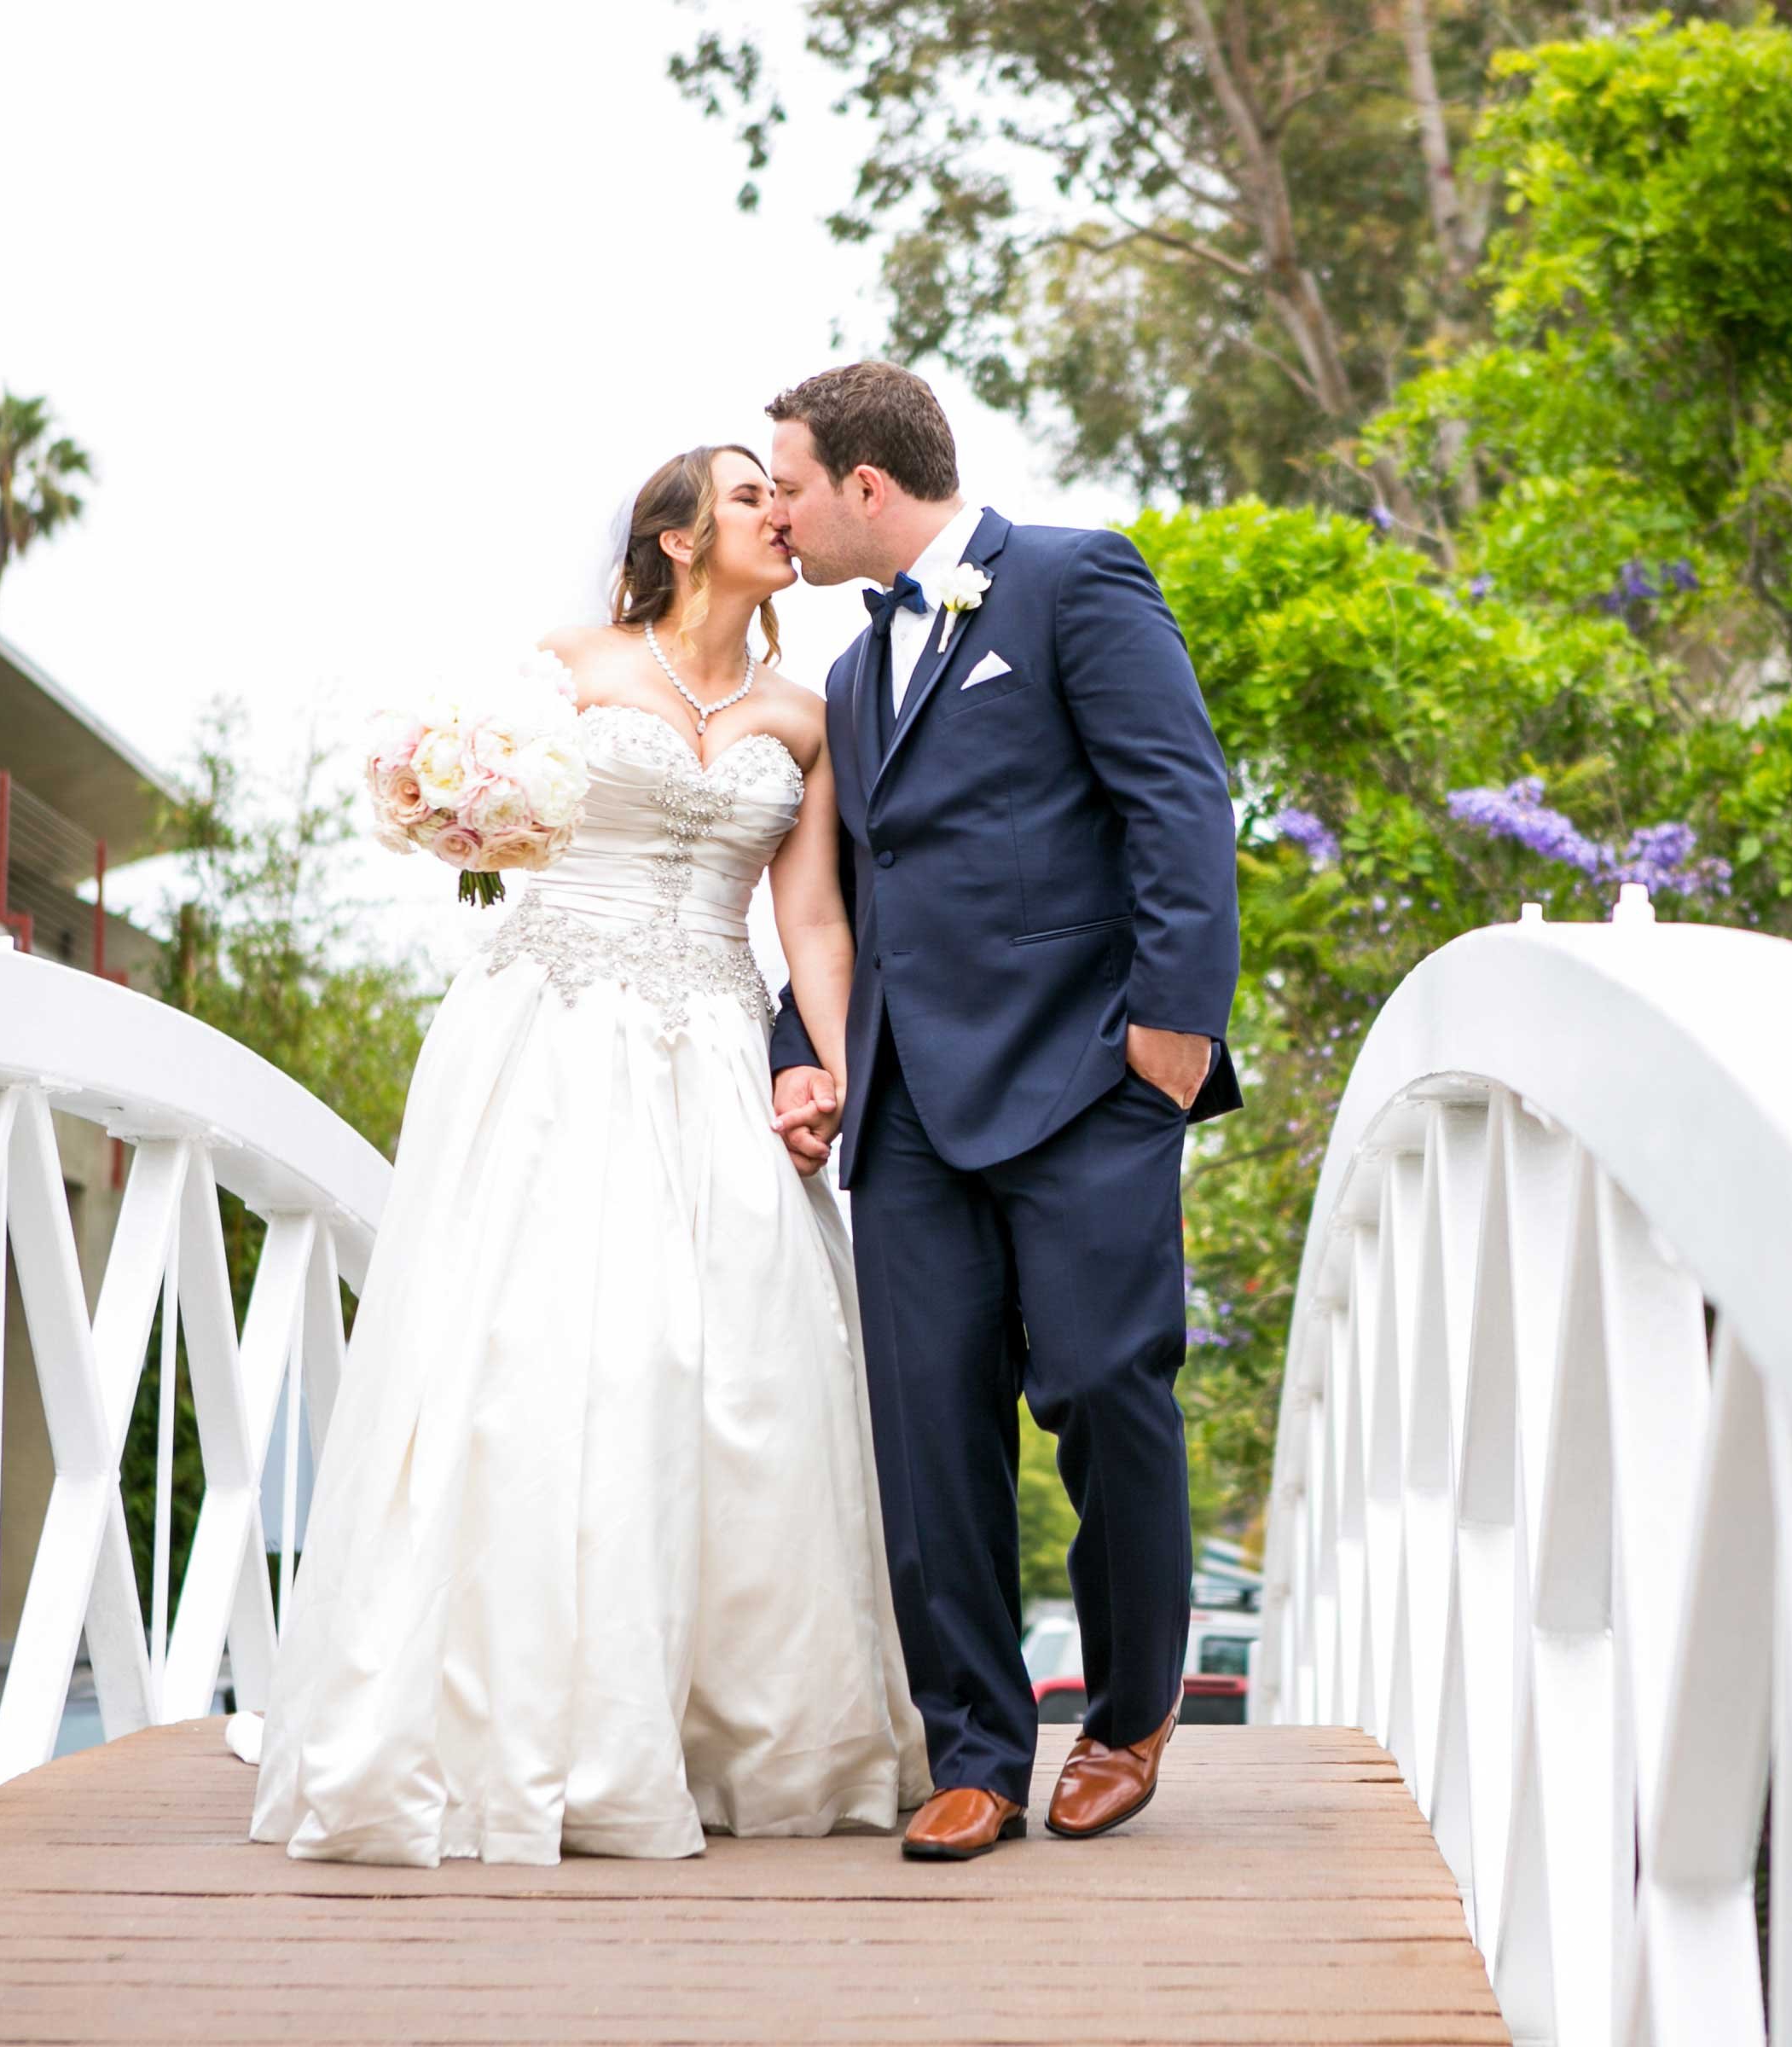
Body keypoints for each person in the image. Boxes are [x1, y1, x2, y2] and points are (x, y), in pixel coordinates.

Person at [241, 444, 930, 1863]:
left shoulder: (803, 716)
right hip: (549, 1027)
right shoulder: (570, 664)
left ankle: (726, 1728)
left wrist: (835, 1069)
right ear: (677, 540)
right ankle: (512, 1721)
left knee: (733, 1362)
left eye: (777, 497)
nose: (778, 517)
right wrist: (462, 809)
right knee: (544, 1350)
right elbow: (482, 815)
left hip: (718, 1041)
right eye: (749, 499)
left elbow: (811, 921)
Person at [762, 362, 1242, 1862]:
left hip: (1084, 1079)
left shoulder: (1070, 582)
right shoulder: (848, 677)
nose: (773, 509)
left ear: (866, 484)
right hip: (908, 1106)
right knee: (930, 1442)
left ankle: (1126, 1716)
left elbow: (1177, 799)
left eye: (786, 481)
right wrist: (804, 1042)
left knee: (1109, 1391)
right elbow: (844, 899)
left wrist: (1172, 1035)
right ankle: (974, 1747)